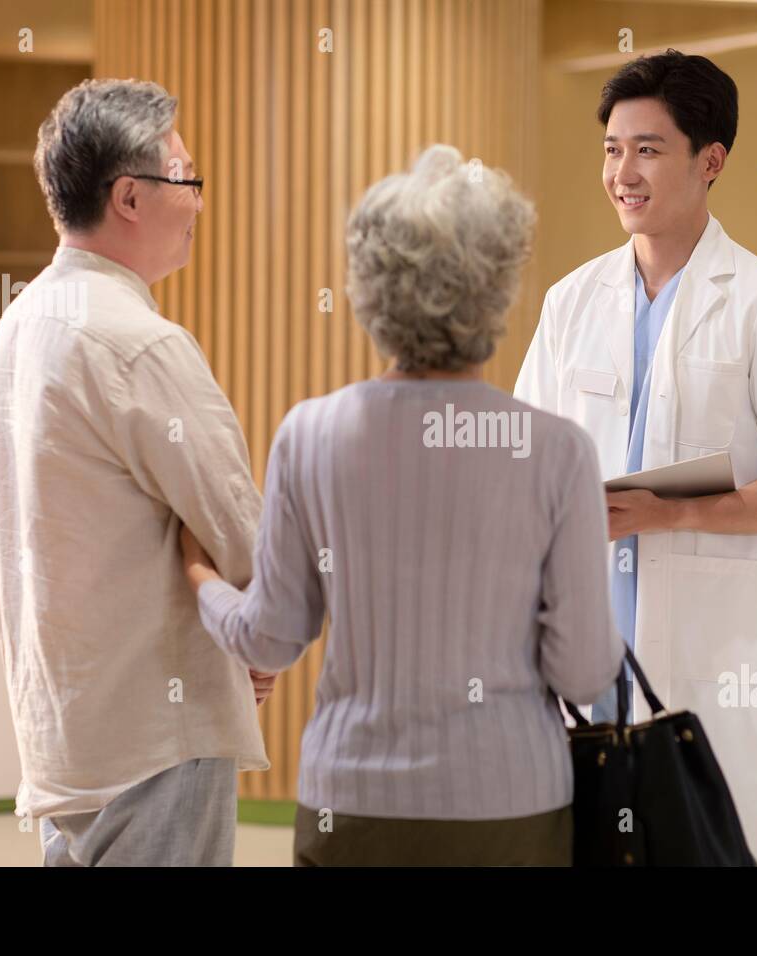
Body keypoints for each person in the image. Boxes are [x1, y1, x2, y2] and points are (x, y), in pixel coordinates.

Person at [180, 144, 623, 867]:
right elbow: (584, 672)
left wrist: (199, 579)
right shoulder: (557, 451)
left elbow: (269, 637)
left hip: (351, 804)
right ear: (499, 287)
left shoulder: (310, 435)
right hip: (510, 803)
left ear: (369, 288)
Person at [514, 51, 757, 865]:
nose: (623, 172)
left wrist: (677, 513)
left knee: (700, 844)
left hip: (707, 660)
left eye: (648, 149)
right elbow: (524, 460)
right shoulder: (572, 302)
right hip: (576, 647)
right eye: (611, 149)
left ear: (711, 160)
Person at [0, 78, 271, 867]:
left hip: (66, 734)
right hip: (156, 739)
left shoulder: (20, 325)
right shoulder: (138, 343)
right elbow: (243, 535)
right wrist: (264, 638)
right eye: (186, 177)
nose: (200, 201)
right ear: (131, 198)